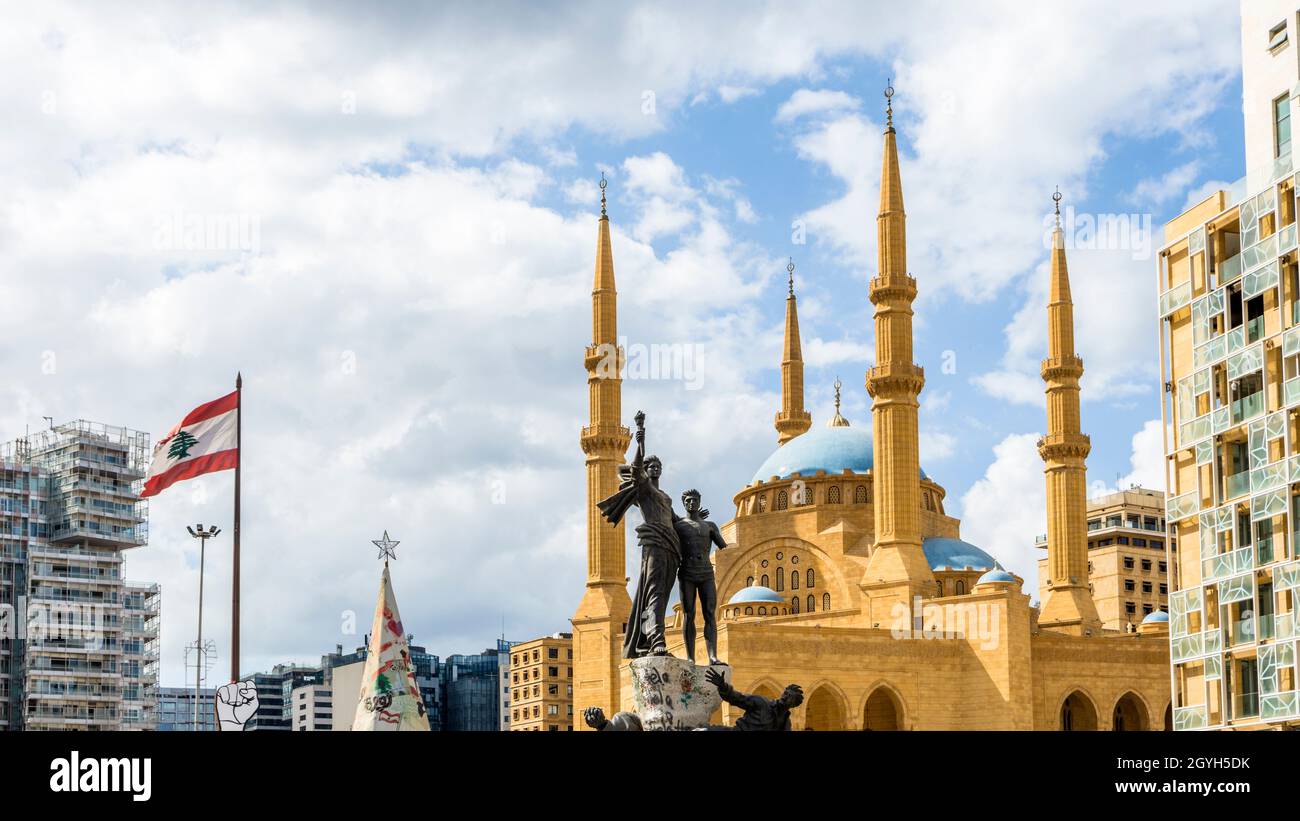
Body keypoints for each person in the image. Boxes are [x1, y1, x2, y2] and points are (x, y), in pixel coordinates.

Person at [596, 411, 682, 658]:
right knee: (654, 592)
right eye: (650, 466)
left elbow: (675, 521)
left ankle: (655, 637)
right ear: (645, 471)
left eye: (658, 466)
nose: (655, 468)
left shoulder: (665, 497)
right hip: (654, 543)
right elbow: (635, 466)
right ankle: (657, 640)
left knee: (663, 596)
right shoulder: (644, 489)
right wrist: (640, 437)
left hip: (671, 547)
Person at [674, 489, 726, 664]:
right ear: (684, 503)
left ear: (699, 501)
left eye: (694, 500)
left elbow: (723, 546)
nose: (691, 503)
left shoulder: (709, 525)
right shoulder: (679, 525)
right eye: (688, 501)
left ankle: (712, 656)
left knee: (710, 613)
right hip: (687, 572)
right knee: (689, 614)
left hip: (706, 572)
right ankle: (690, 657)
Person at [704, 668, 803, 731]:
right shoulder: (761, 703)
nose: (785, 697)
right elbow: (737, 698)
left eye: (790, 697)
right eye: (785, 693)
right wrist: (723, 686)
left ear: (793, 704)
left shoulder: (786, 723)